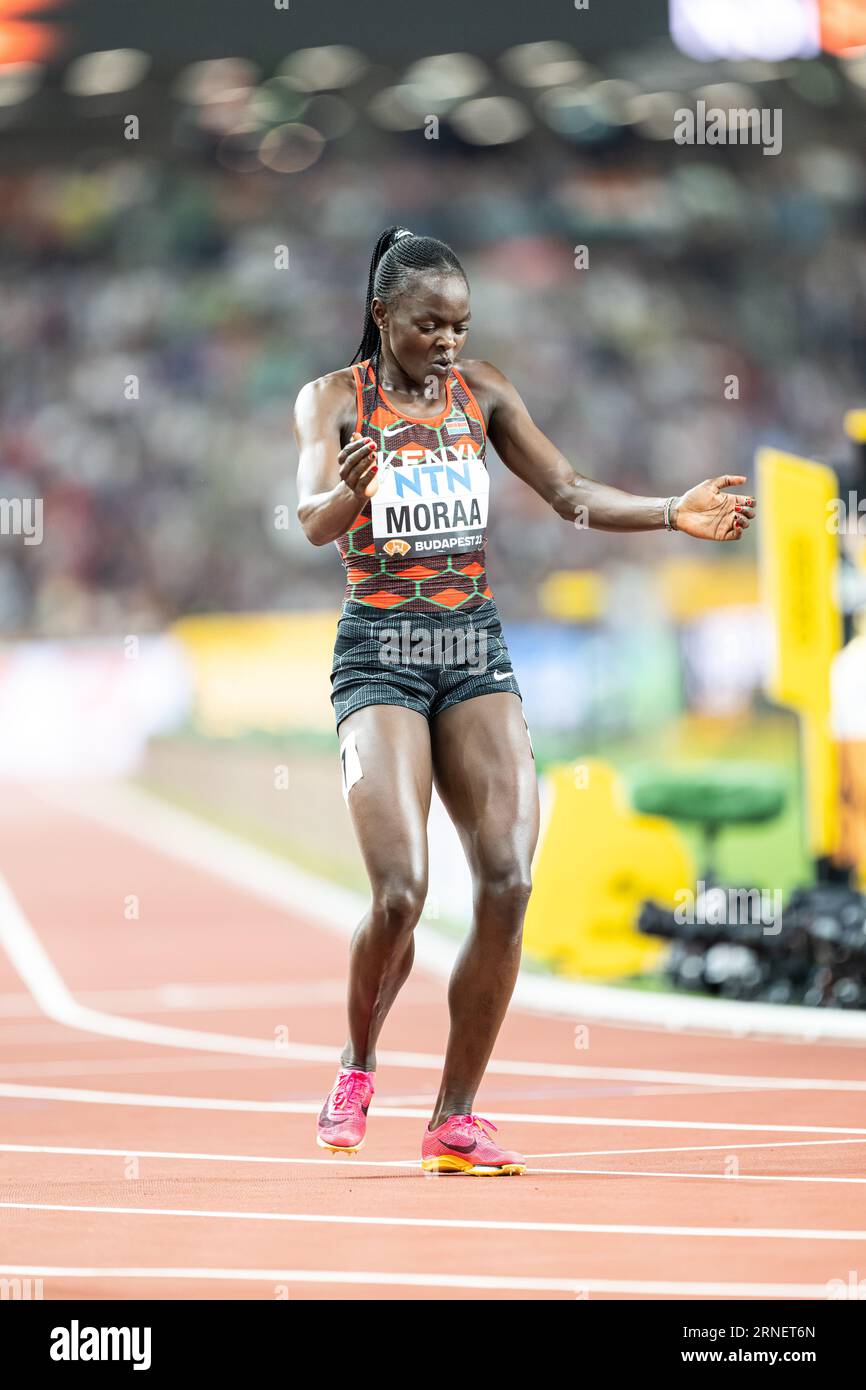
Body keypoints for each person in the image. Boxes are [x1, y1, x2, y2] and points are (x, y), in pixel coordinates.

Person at [294, 226, 756, 1175]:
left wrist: (671, 510)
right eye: (431, 326)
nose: (450, 343)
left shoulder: (486, 392)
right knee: (402, 893)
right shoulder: (335, 400)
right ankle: (356, 1063)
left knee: (507, 881)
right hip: (380, 653)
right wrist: (348, 495)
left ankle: (454, 1117)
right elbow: (311, 522)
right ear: (384, 316)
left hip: (473, 651)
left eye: (461, 326)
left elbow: (570, 491)